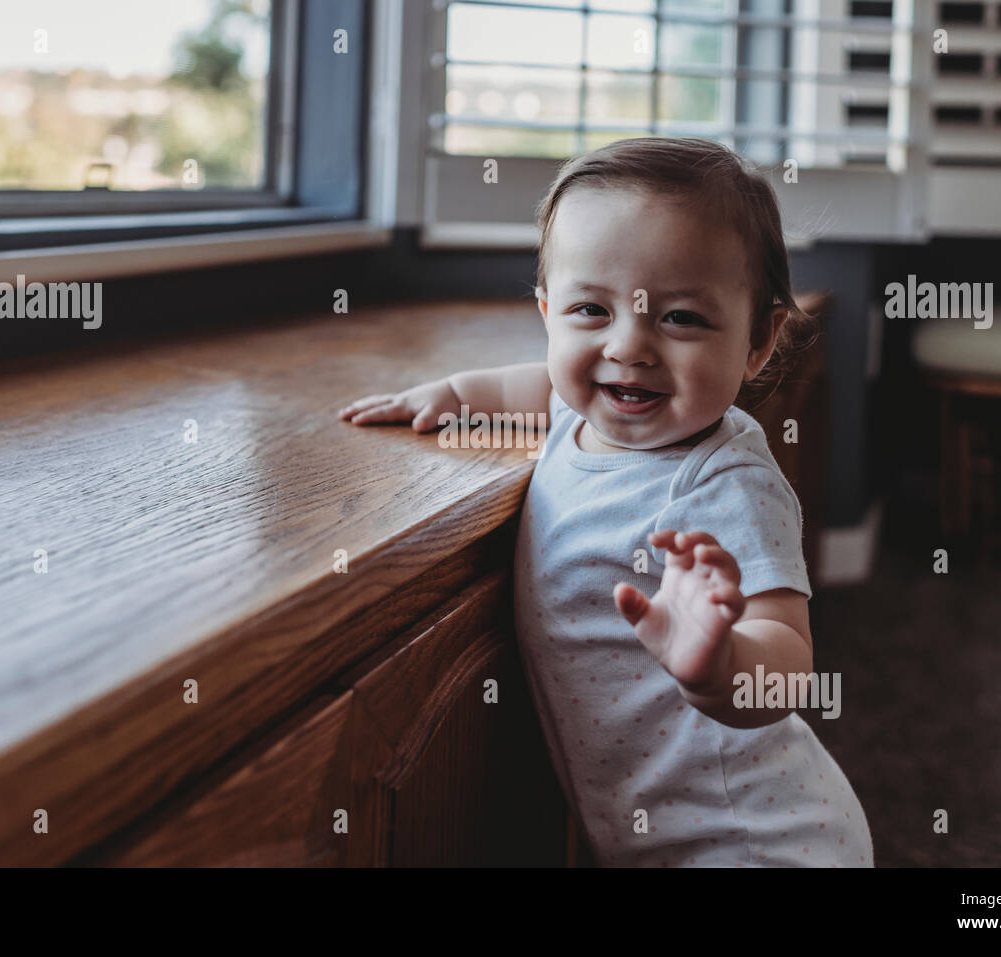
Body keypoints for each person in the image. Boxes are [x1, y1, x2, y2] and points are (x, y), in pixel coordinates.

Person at [339, 136, 873, 867]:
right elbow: (534, 387)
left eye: (681, 318)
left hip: (751, 840)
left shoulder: (724, 481)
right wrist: (456, 395)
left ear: (758, 339)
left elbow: (788, 662)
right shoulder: (580, 413)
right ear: (548, 310)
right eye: (591, 310)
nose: (630, 346)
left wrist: (721, 667)